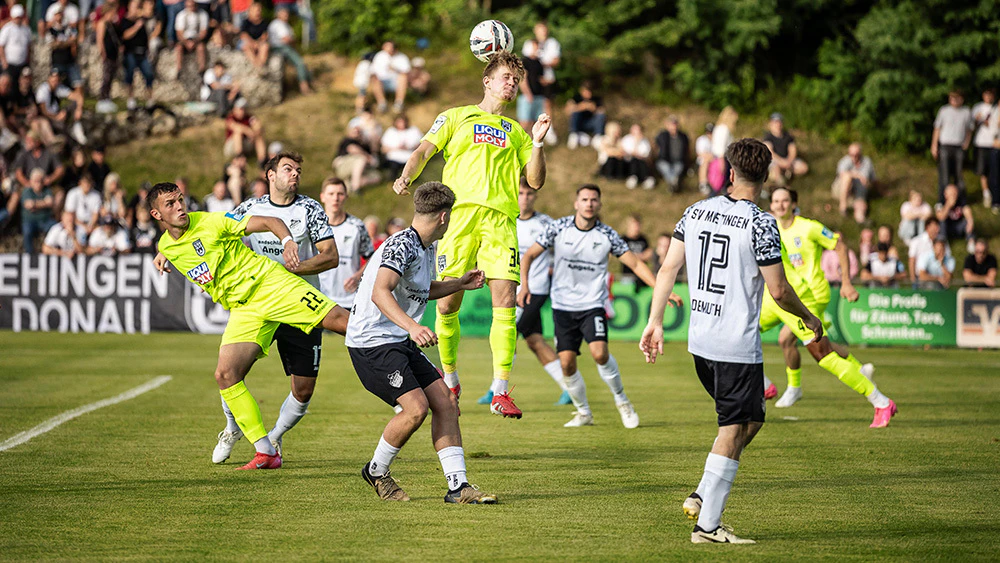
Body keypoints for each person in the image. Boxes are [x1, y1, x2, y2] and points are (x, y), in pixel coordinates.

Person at [640, 138, 824, 544]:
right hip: (735, 344)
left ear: (730, 169)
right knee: (733, 428)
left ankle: (703, 492)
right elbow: (778, 291)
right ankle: (708, 526)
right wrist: (808, 316)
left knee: (752, 419)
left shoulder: (695, 210)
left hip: (700, 338)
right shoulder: (761, 223)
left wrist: (655, 321)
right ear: (766, 174)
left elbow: (668, 267)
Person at [392, 51, 552, 419]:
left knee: (505, 302)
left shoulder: (517, 132)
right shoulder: (456, 116)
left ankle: (500, 390)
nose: (511, 83)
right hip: (458, 219)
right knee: (447, 304)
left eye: (516, 79)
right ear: (488, 81)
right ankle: (449, 377)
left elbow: (536, 180)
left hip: (500, 221)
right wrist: (407, 176)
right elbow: (423, 150)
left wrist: (539, 143)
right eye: (506, 77)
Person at [149, 181, 349, 470]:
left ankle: (403, 345)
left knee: (344, 323)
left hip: (271, 285)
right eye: (171, 204)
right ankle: (265, 451)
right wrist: (164, 252)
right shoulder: (167, 245)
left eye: (180, 200)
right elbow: (179, 247)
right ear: (157, 215)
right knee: (226, 374)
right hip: (245, 309)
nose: (180, 207)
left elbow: (270, 220)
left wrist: (287, 241)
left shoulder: (212, 221)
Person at [348, 182, 496, 504]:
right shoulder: (401, 245)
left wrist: (458, 284)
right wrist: (414, 327)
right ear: (444, 217)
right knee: (416, 409)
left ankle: (458, 487)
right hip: (371, 343)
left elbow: (419, 289)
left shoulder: (424, 246)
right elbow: (380, 291)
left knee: (446, 402)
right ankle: (376, 471)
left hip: (396, 339)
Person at [212, 151, 340, 463]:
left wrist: (297, 269)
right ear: (271, 175)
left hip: (299, 305)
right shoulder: (249, 208)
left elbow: (330, 255)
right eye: (287, 169)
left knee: (304, 390)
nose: (294, 174)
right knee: (230, 372)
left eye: (298, 169)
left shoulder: (310, 208)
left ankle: (274, 438)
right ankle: (232, 428)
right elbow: (214, 235)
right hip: (259, 301)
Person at [520, 185, 668, 428]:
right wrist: (525, 285)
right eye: (584, 199)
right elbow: (528, 256)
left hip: (592, 305)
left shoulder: (607, 235)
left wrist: (660, 288)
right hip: (563, 306)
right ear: (576, 203)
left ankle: (622, 401)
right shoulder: (558, 228)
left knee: (600, 353)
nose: (589, 204)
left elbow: (635, 264)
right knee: (566, 363)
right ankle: (583, 412)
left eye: (594, 200)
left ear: (599, 204)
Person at [759, 187, 894, 421]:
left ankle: (880, 400)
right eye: (776, 201)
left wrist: (846, 283)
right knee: (741, 330)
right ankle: (773, 386)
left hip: (805, 297)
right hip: (775, 295)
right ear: (770, 205)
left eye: (785, 200)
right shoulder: (769, 228)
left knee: (822, 353)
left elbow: (840, 246)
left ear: (793, 203)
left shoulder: (808, 227)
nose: (780, 205)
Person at [475, 178, 567, 406]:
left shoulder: (546, 223)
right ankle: (570, 387)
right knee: (534, 340)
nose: (525, 198)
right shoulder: (504, 221)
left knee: (510, 333)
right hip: (510, 289)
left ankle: (495, 389)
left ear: (535, 197)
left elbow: (563, 249)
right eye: (521, 193)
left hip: (535, 289)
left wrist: (555, 269)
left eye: (529, 194)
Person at [318, 177, 373, 312]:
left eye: (340, 194)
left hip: (349, 297)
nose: (335, 198)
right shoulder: (314, 227)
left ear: (346, 197)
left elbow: (372, 258)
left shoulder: (357, 226)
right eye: (331, 194)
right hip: (319, 295)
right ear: (322, 197)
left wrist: (358, 276)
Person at [931, 90, 973, 202]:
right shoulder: (944, 110)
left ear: (961, 99)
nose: (954, 100)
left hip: (959, 147)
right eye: (952, 98)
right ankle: (942, 201)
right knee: (944, 176)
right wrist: (934, 145)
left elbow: (969, 129)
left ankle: (960, 201)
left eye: (956, 98)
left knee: (958, 175)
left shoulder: (966, 111)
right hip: (945, 145)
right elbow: (937, 128)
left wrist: (966, 144)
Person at [121, 0, 155, 110]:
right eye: (136, 7)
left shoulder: (142, 21)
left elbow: (146, 36)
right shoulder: (125, 21)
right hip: (130, 52)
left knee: (149, 75)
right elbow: (125, 36)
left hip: (142, 53)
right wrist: (136, 26)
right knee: (129, 75)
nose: (137, 9)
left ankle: (150, 100)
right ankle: (131, 100)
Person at [267, 9, 310, 95]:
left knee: (302, 65)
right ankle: (304, 88)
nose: (287, 15)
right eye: (284, 13)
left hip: (282, 48)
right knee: (299, 63)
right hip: (281, 48)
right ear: (278, 14)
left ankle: (307, 83)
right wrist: (294, 41)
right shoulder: (278, 24)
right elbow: (286, 39)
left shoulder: (283, 24)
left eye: (287, 13)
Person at [834, 143, 875, 224]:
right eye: (852, 154)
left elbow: (873, 180)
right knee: (847, 177)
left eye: (856, 155)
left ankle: (861, 219)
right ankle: (843, 207)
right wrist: (858, 176)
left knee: (861, 201)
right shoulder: (845, 161)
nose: (854, 157)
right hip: (842, 190)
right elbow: (842, 174)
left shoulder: (867, 162)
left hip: (858, 191)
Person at [762, 113, 808, 186]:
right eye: (775, 122)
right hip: (775, 161)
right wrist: (782, 162)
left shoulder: (788, 136)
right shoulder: (768, 137)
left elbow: (792, 150)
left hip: (788, 160)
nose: (778, 125)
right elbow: (771, 153)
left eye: (779, 122)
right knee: (776, 169)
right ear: (771, 124)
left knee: (803, 168)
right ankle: (781, 183)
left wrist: (788, 161)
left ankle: (788, 174)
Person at [20, 168, 57, 254]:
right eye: (36, 181)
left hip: (45, 220)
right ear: (31, 181)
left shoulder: (47, 190)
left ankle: (52, 251)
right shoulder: (27, 191)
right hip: (30, 221)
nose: (38, 183)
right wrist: (44, 203)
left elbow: (50, 202)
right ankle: (29, 254)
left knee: (55, 228)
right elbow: (28, 205)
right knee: (27, 231)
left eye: (40, 181)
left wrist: (34, 204)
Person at [972, 89, 998, 207]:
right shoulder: (977, 107)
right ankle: (986, 193)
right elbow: (971, 125)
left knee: (993, 171)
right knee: (982, 170)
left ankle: (994, 194)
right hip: (981, 143)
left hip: (994, 144)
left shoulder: (996, 108)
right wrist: (978, 120)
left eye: (990, 94)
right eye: (986, 94)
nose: (988, 97)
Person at [368, 41, 410, 114]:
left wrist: (394, 68)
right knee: (375, 79)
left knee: (403, 77)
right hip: (382, 81)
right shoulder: (379, 56)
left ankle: (399, 104)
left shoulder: (402, 57)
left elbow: (406, 71)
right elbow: (373, 70)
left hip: (396, 82)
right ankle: (382, 104)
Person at [907, 217, 950, 285]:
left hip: (939, 278)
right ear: (927, 227)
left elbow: (947, 257)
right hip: (921, 278)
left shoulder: (943, 241)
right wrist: (913, 278)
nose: (937, 230)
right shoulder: (916, 241)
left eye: (937, 227)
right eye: (934, 227)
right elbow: (912, 260)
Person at [224, 98, 266, 165]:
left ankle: (262, 160)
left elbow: (258, 127)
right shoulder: (230, 118)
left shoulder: (249, 117)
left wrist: (255, 132)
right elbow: (236, 127)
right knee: (238, 133)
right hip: (232, 147)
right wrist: (249, 131)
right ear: (235, 109)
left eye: (244, 108)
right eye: (240, 109)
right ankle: (239, 157)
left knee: (258, 136)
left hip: (246, 143)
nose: (242, 111)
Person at [380, 114, 421, 180]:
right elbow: (383, 148)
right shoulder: (391, 131)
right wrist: (396, 148)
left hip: (409, 157)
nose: (402, 124)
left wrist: (409, 147)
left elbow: (420, 145)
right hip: (394, 158)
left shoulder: (414, 130)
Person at [565, 81, 605, 149]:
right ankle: (574, 135)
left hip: (591, 123)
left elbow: (603, 112)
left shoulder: (596, 99)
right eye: (586, 91)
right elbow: (567, 111)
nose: (589, 94)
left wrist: (594, 109)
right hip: (580, 123)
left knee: (600, 115)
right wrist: (581, 107)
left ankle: (598, 137)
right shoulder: (576, 98)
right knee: (575, 112)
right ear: (582, 91)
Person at [654, 116, 689, 193]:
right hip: (664, 160)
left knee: (678, 168)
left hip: (678, 161)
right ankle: (674, 183)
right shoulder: (662, 135)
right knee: (666, 168)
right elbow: (657, 148)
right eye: (671, 124)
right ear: (667, 125)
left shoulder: (683, 137)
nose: (673, 127)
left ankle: (672, 185)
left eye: (675, 124)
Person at [63, 172, 101, 242]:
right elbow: (70, 214)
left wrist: (90, 226)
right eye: (85, 183)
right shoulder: (73, 193)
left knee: (99, 233)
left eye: (89, 183)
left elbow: (95, 214)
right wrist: (83, 226)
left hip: (91, 224)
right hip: (76, 223)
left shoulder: (96, 195)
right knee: (79, 234)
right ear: (80, 183)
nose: (87, 185)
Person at [619, 213, 653, 291]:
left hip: (641, 275)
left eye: (638, 225)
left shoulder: (643, 239)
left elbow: (649, 253)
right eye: (634, 225)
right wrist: (639, 257)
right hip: (627, 276)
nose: (636, 228)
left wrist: (634, 257)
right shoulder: (623, 239)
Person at [174, 0, 208, 76]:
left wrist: (195, 41)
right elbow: (179, 33)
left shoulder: (202, 14)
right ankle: (179, 70)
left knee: (201, 48)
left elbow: (203, 32)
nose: (191, 8)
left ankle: (202, 70)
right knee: (179, 48)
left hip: (196, 38)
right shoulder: (181, 15)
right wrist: (186, 42)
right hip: (185, 39)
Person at [935, 184, 974, 248]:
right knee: (942, 222)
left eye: (954, 194)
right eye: (951, 194)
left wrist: (970, 221)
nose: (953, 196)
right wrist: (948, 205)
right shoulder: (940, 203)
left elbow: (967, 210)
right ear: (945, 194)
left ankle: (971, 242)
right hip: (947, 228)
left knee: (968, 221)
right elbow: (940, 217)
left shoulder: (961, 201)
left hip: (958, 227)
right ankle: (943, 242)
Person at [0, 5, 31, 78]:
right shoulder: (7, 28)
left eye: (20, 17)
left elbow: (29, 46)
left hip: (22, 64)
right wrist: (4, 62)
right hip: (9, 64)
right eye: (16, 17)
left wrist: (28, 61)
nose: (18, 19)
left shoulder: (27, 29)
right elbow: (1, 46)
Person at [621, 123, 654, 190]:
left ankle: (647, 179)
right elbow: (628, 152)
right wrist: (636, 142)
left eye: (638, 130)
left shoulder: (645, 141)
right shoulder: (626, 139)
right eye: (635, 129)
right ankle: (633, 178)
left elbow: (646, 154)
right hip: (628, 161)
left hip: (641, 161)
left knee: (641, 162)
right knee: (635, 160)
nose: (637, 132)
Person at [238, 2, 268, 68]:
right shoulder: (246, 22)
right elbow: (243, 35)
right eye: (256, 10)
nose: (258, 12)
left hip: (259, 43)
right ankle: (256, 64)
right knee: (246, 46)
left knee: (265, 46)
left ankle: (260, 65)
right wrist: (253, 43)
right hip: (248, 42)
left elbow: (265, 36)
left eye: (259, 10)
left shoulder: (264, 23)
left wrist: (257, 43)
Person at [695, 123, 714, 194]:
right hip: (703, 160)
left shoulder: (717, 140)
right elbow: (700, 154)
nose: (710, 134)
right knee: (705, 162)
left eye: (711, 132)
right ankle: (703, 183)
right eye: (709, 132)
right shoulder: (701, 140)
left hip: (714, 160)